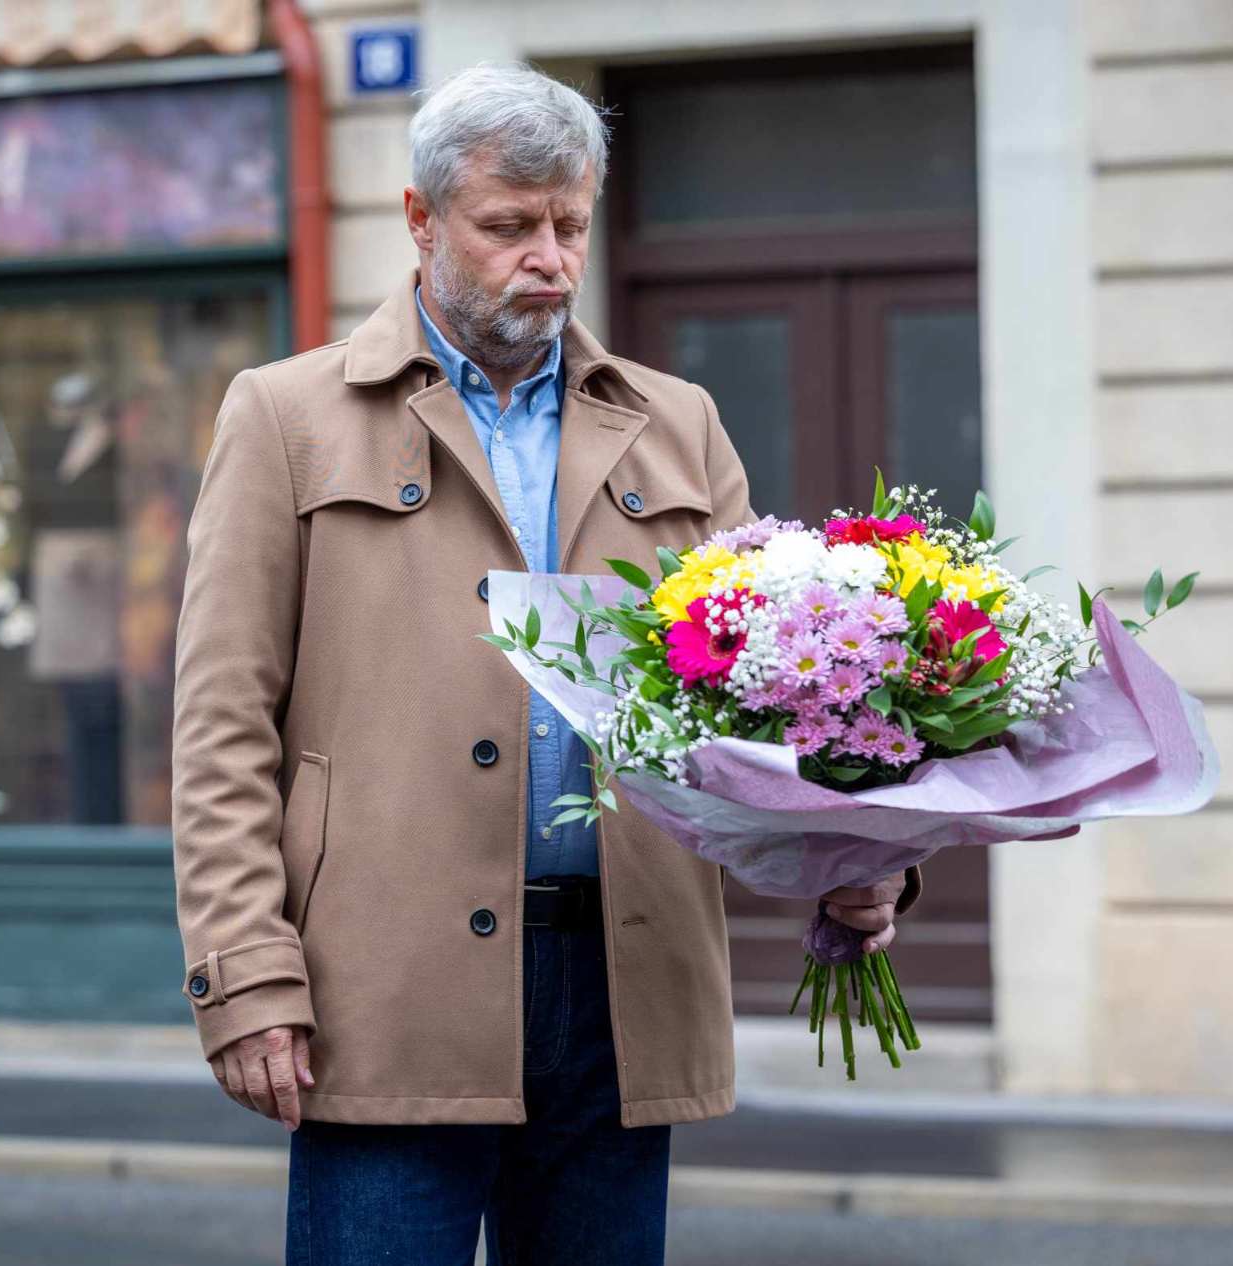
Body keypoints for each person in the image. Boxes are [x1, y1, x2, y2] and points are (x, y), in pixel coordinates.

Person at [172, 61, 920, 1265]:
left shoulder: (680, 422)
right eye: (511, 227)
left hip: (626, 984)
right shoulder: (287, 416)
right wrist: (245, 977)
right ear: (420, 222)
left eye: (570, 224)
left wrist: (856, 852)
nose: (553, 259)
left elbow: (761, 699)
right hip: (383, 986)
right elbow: (220, 728)